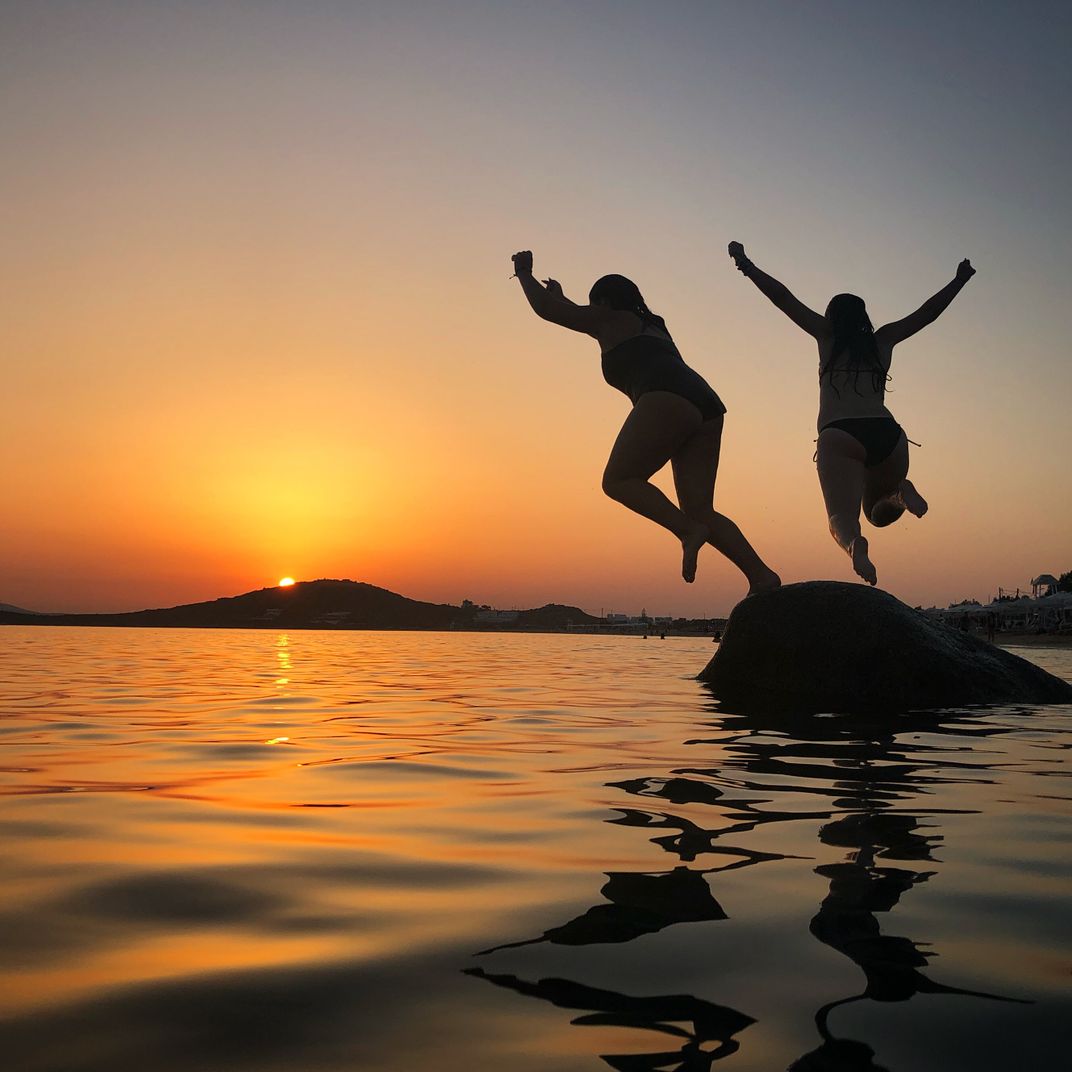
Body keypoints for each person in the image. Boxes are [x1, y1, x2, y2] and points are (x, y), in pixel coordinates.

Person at [510, 250, 780, 595]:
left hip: (666, 395)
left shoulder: (609, 319)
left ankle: (686, 531)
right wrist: (563, 298)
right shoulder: (655, 324)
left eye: (595, 305)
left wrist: (524, 272)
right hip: (706, 404)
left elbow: (548, 312)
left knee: (619, 480)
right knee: (701, 508)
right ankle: (761, 576)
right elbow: (571, 312)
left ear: (604, 302)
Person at [727, 241, 975, 586]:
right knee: (878, 512)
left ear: (833, 317)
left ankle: (854, 544)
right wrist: (959, 280)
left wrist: (746, 264)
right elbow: (927, 313)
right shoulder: (883, 339)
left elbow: (783, 298)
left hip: (840, 434)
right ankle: (899, 492)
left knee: (841, 518)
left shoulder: (827, 336)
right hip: (888, 434)